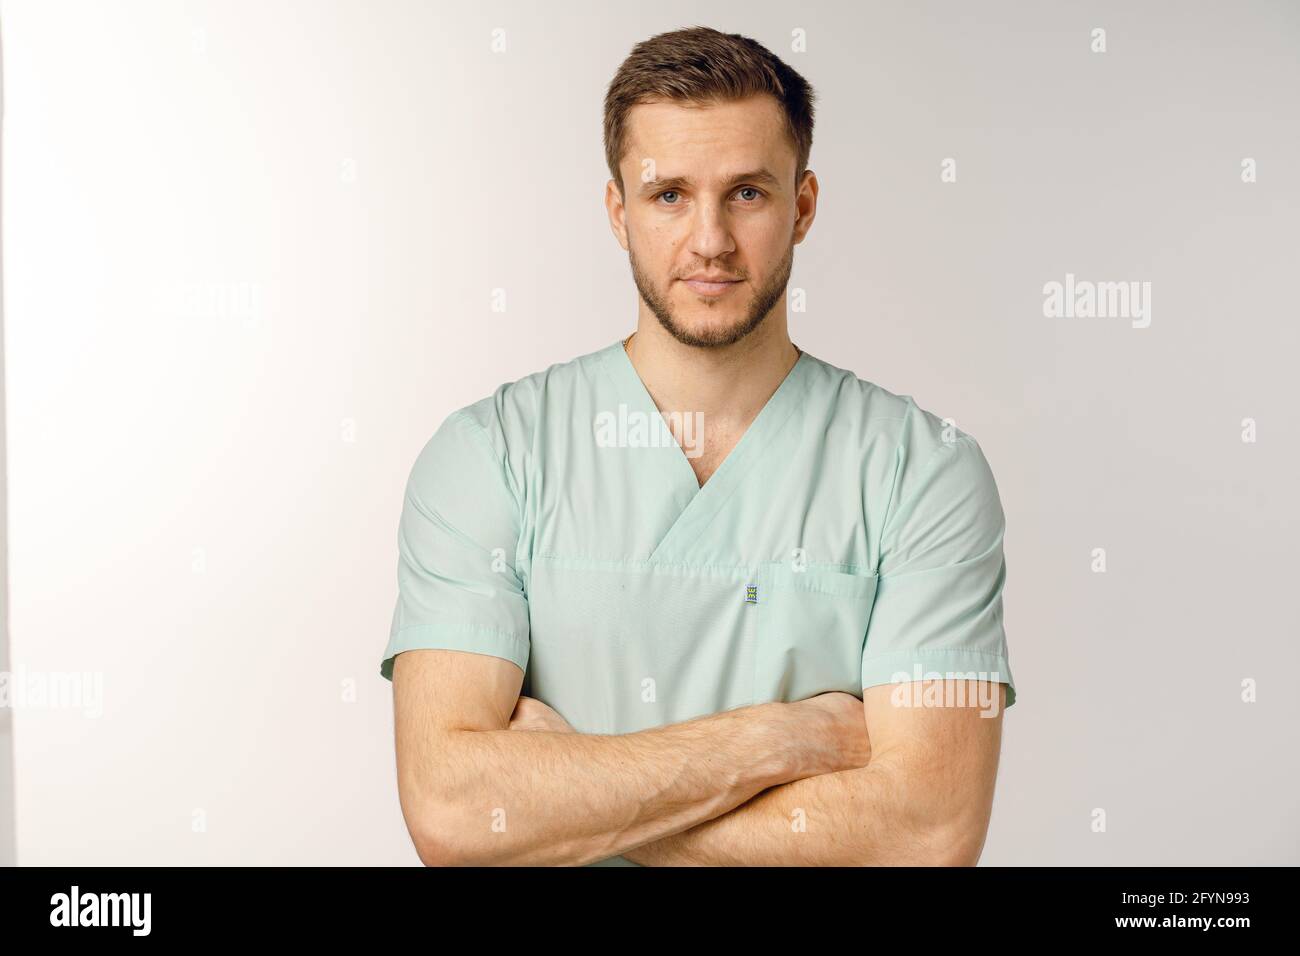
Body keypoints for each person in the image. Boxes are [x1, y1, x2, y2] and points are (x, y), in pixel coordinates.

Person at [381, 25, 1016, 867]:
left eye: (747, 193)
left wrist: (567, 790)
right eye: (669, 194)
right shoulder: (490, 456)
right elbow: (456, 813)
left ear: (803, 205)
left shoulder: (924, 472)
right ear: (619, 212)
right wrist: (774, 741)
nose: (710, 239)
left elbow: (927, 836)